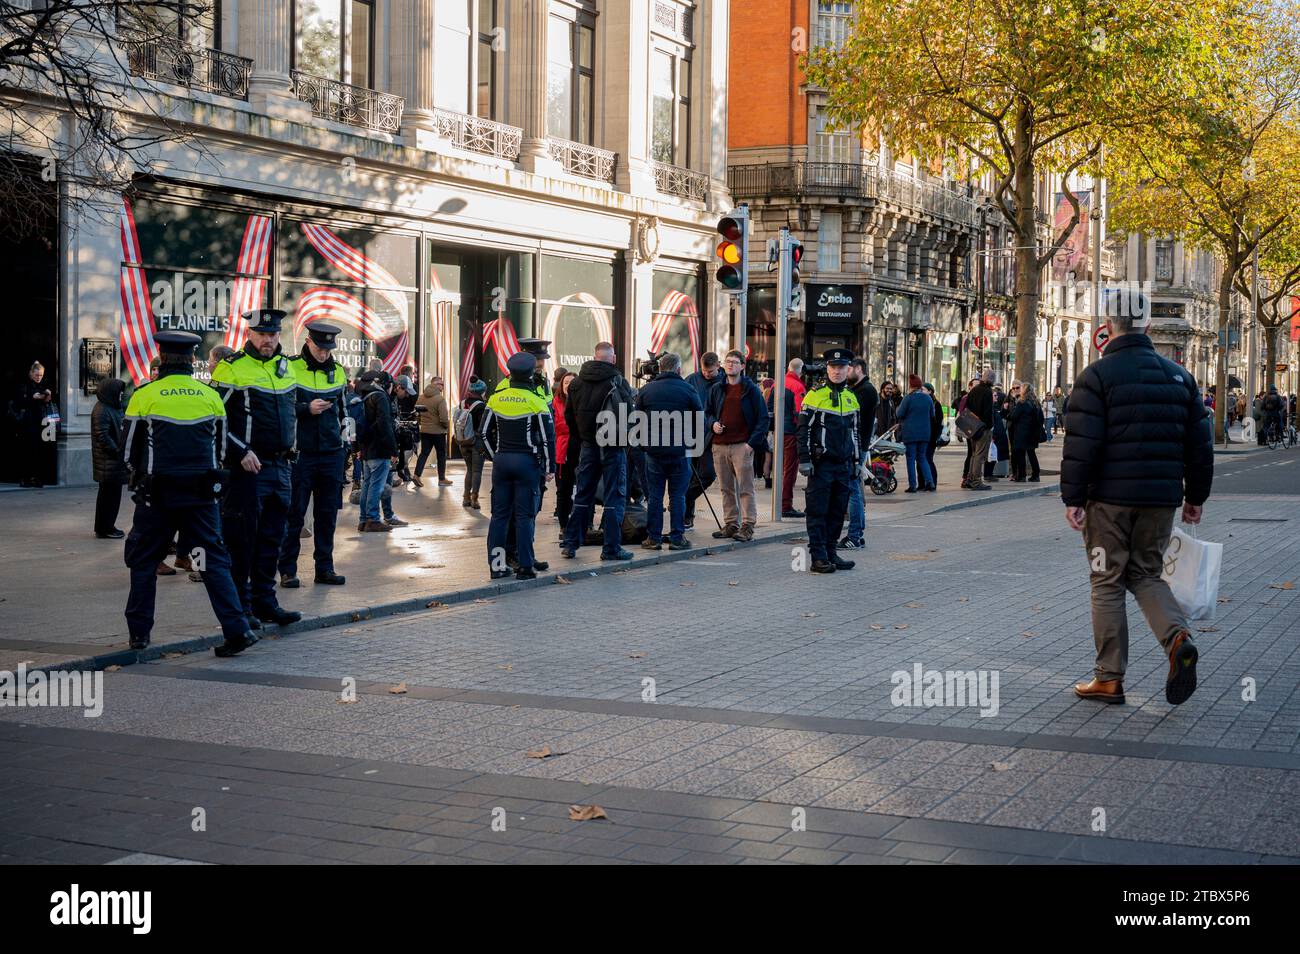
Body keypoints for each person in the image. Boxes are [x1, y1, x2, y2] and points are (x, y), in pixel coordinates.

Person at [1062, 287, 1213, 706]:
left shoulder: (1096, 376)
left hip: (1108, 501)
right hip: (1161, 499)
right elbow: (1199, 447)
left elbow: (1081, 443)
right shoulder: (1180, 377)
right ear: (1148, 324)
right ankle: (1176, 636)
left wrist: (1073, 498)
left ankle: (1109, 678)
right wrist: (1195, 495)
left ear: (1109, 326)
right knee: (1147, 574)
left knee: (1106, 581)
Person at [122, 331, 257, 657]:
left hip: (158, 498)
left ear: (162, 358)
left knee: (144, 561)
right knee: (212, 562)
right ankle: (237, 629)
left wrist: (141, 478)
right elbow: (223, 449)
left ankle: (139, 636)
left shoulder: (145, 394)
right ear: (194, 360)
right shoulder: (209, 396)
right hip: (201, 499)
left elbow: (128, 450)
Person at [210, 309, 302, 630]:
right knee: (243, 541)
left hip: (281, 466)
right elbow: (214, 418)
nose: (268, 339)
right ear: (250, 334)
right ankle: (243, 607)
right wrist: (241, 451)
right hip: (248, 468)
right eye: (262, 334)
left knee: (272, 540)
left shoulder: (286, 366)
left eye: (273, 334)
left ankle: (266, 602)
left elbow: (293, 413)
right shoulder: (231, 367)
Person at [278, 322, 348, 589]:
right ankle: (287, 570)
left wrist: (346, 446)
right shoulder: (289, 367)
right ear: (308, 341)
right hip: (300, 454)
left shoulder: (338, 370)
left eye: (328, 348)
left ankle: (325, 568)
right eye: (320, 347)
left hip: (331, 453)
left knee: (327, 515)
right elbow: (281, 407)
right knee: (293, 515)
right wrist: (306, 408)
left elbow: (343, 413)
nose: (324, 353)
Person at [483, 351, 556, 580]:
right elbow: (547, 439)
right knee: (525, 516)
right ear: (530, 375)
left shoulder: (496, 398)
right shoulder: (536, 402)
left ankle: (497, 567)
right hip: (527, 462)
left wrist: (495, 456)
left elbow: (483, 434)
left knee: (499, 516)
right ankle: (525, 566)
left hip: (502, 461)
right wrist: (549, 468)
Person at [561, 341, 634, 561]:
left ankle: (571, 543)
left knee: (583, 494)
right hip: (612, 446)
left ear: (594, 357)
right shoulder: (618, 381)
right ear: (612, 358)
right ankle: (611, 548)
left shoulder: (577, 383)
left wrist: (583, 437)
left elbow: (568, 417)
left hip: (588, 446)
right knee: (615, 496)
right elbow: (629, 415)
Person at [797, 348, 861, 574]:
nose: (837, 371)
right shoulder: (814, 395)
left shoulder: (851, 397)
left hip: (843, 465)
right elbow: (803, 429)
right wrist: (804, 459)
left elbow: (855, 433)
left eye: (842, 367)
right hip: (821, 464)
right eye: (833, 367)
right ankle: (818, 556)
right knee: (817, 510)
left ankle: (831, 552)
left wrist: (857, 461)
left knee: (837, 510)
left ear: (848, 369)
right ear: (827, 368)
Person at [636, 351, 703, 551]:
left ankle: (654, 538)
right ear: (679, 369)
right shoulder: (688, 389)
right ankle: (677, 537)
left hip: (654, 452)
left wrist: (644, 444)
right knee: (678, 496)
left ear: (660, 368)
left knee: (655, 496)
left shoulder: (647, 390)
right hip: (680, 452)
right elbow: (699, 419)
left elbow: (637, 420)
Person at [501, 339, 554, 571]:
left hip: (536, 457)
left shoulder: (543, 383)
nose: (542, 365)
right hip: (521, 453)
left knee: (532, 509)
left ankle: (527, 554)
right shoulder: (508, 384)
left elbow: (548, 414)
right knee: (516, 512)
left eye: (542, 361)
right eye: (538, 361)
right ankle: (513, 553)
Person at [705, 350, 769, 542]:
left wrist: (751, 444)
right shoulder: (717, 389)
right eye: (727, 361)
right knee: (725, 488)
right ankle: (731, 524)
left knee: (745, 487)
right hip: (719, 445)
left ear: (742, 366)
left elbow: (763, 419)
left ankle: (748, 525)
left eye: (734, 362)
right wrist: (712, 424)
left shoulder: (751, 390)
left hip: (742, 446)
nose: (730, 365)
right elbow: (707, 413)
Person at [355, 370, 406, 531]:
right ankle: (373, 519)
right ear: (388, 385)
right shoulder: (381, 397)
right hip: (379, 449)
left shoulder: (365, 396)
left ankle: (364, 520)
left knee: (367, 485)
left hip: (367, 449)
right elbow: (385, 426)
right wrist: (393, 450)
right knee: (376, 486)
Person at [838, 358, 877, 549]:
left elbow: (851, 415)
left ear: (859, 369)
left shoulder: (866, 391)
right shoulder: (860, 389)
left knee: (853, 489)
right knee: (854, 488)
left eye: (848, 368)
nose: (845, 372)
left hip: (856, 445)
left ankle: (854, 535)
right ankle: (857, 533)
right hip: (856, 444)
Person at [683, 352, 722, 530]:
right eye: (705, 371)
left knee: (708, 474)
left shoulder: (723, 382)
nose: (707, 375)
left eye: (711, 372)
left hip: (713, 436)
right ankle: (687, 516)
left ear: (718, 366)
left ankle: (685, 497)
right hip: (691, 434)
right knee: (688, 475)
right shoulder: (691, 379)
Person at [91, 377, 128, 539]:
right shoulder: (101, 409)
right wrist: (118, 451)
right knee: (108, 498)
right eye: (119, 392)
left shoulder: (113, 406)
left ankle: (107, 526)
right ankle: (105, 528)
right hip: (108, 462)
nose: (121, 395)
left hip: (114, 462)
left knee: (112, 497)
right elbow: (102, 436)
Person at [14, 360, 54, 487]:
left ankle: (37, 477)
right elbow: (18, 402)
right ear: (31, 374)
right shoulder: (24, 385)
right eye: (37, 375)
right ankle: (25, 478)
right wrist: (32, 398)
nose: (39, 378)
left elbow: (49, 402)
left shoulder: (44, 386)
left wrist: (47, 397)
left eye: (41, 375)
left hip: (41, 422)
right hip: (27, 423)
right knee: (26, 451)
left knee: (39, 451)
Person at [896, 374, 935, 493]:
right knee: (922, 458)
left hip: (910, 433)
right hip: (925, 433)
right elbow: (932, 415)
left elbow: (899, 414)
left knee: (910, 459)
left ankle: (913, 485)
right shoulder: (928, 398)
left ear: (911, 386)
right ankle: (930, 482)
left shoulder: (908, 398)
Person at [456, 377, 489, 509]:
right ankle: (475, 498)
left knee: (469, 469)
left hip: (463, 441)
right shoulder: (481, 406)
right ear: (482, 392)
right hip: (477, 442)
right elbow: (483, 427)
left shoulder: (462, 403)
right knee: (477, 471)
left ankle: (465, 498)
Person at [414, 375, 452, 488]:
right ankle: (441, 479)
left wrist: (422, 424)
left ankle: (416, 475)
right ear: (435, 384)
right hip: (438, 432)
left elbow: (417, 413)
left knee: (424, 453)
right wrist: (446, 427)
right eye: (441, 384)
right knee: (441, 455)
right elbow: (444, 418)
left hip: (425, 431)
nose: (443, 386)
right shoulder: (440, 399)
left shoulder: (421, 397)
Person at [962, 370, 995, 490]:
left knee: (973, 454)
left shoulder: (974, 390)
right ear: (991, 380)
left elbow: (967, 407)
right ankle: (976, 481)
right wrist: (989, 425)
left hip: (972, 425)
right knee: (979, 455)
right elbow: (987, 412)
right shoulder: (987, 392)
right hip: (982, 428)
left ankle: (970, 479)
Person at [552, 369, 575, 534]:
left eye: (572, 383)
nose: (569, 386)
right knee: (563, 490)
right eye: (566, 383)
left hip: (580, 450)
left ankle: (585, 524)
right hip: (562, 451)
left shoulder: (582, 401)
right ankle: (563, 525)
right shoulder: (556, 402)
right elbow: (557, 426)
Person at [1008, 383, 1044, 482]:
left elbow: (1014, 416)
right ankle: (1036, 475)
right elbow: (1041, 418)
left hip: (1022, 432)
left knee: (1020, 453)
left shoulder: (1022, 402)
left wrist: (1009, 411)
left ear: (1025, 390)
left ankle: (1022, 475)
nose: (1020, 390)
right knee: (1031, 453)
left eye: (1022, 388)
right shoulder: (1036, 403)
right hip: (1033, 433)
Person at [923, 382, 943, 487]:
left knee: (928, 459)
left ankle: (932, 482)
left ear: (930, 391)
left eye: (923, 390)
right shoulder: (923, 402)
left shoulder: (936, 404)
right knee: (921, 460)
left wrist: (934, 438)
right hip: (922, 436)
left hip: (931, 438)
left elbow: (938, 423)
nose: (921, 392)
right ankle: (922, 483)